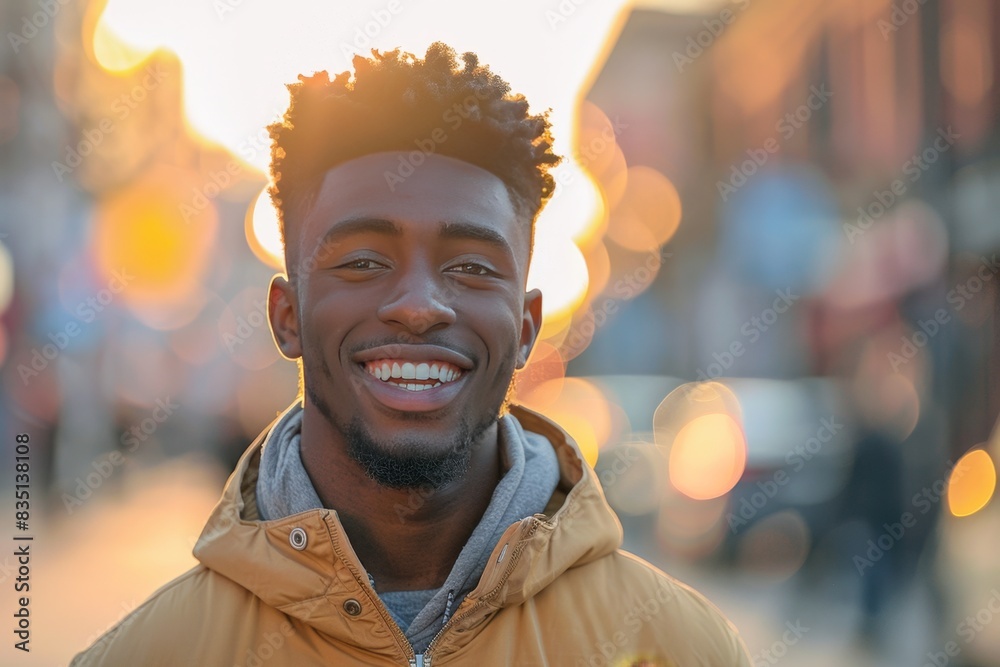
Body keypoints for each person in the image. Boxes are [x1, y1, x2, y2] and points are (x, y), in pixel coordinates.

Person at [72, 42, 751, 666]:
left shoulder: (680, 649)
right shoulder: (146, 655)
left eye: (472, 267)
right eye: (364, 261)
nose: (419, 305)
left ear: (525, 328)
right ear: (287, 317)